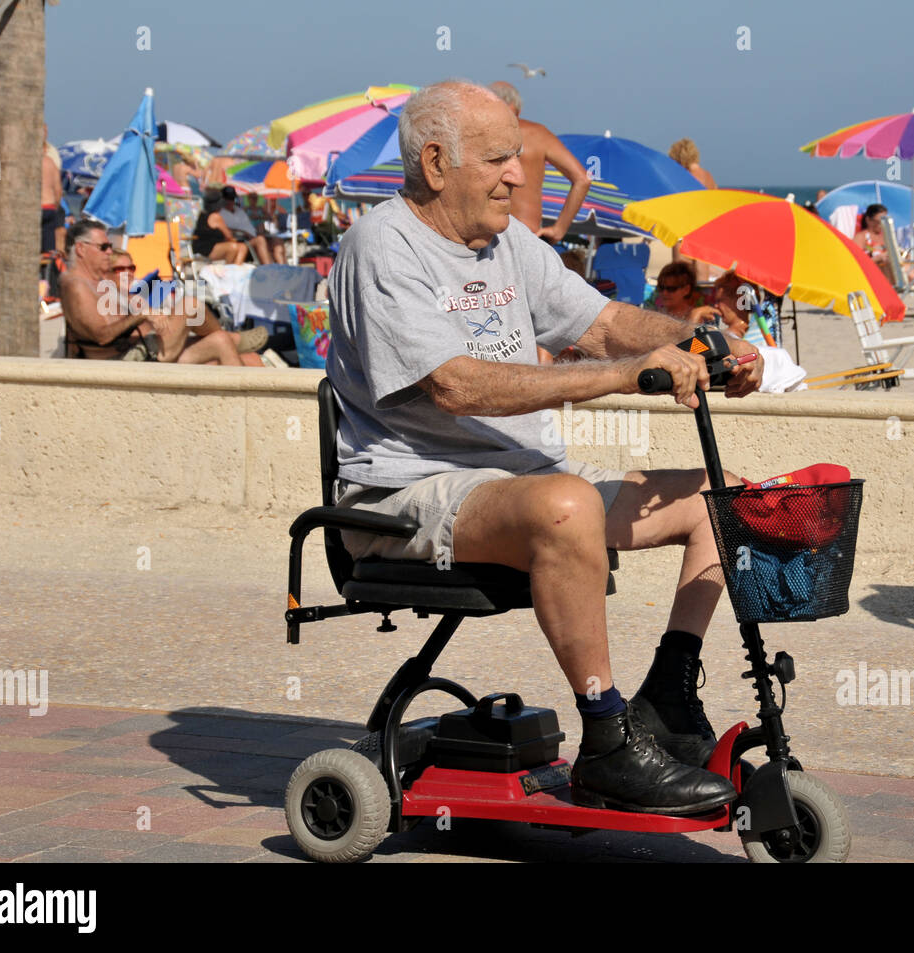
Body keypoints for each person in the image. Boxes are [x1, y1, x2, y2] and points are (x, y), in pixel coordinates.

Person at [327, 80, 764, 815]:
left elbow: (599, 323)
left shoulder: (506, 243)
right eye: (501, 158)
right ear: (436, 163)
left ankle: (665, 698)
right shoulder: (384, 246)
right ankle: (607, 743)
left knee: (721, 502)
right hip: (404, 497)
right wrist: (626, 376)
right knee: (564, 507)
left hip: (522, 481)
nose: (521, 175)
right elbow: (457, 387)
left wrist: (704, 340)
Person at [59, 219, 245, 364]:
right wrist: (142, 315)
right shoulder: (76, 285)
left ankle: (243, 403)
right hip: (125, 359)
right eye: (103, 247)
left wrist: (146, 313)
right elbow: (102, 336)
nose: (109, 251)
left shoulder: (94, 281)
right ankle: (236, 338)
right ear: (81, 249)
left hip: (140, 349)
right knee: (190, 305)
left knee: (220, 341)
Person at [487, 81, 590, 242]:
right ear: (519, 111)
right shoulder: (538, 135)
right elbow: (582, 179)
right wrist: (559, 229)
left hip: (483, 232)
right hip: (526, 234)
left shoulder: (475, 133)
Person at [192, 187, 250, 264]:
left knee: (242, 247)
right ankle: (229, 271)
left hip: (200, 247)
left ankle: (233, 271)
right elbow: (228, 236)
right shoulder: (216, 216)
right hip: (206, 250)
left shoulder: (203, 215)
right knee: (234, 247)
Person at [653, 261, 719, 324]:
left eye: (671, 289)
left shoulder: (698, 317)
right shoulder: (655, 315)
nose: (664, 293)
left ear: (686, 290)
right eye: (661, 287)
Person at [41, 125, 64, 254]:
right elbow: (58, 188)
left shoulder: (28, 163)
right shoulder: (50, 162)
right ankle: (49, 272)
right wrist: (56, 205)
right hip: (50, 206)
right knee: (49, 250)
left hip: (38, 207)